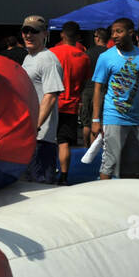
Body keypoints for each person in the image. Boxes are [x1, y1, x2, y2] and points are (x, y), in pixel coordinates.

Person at [90, 18, 139, 180]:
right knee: (109, 164)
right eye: (113, 32)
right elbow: (98, 90)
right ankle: (104, 200)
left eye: (119, 31)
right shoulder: (106, 57)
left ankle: (128, 201)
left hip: (135, 120)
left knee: (135, 168)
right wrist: (95, 119)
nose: (114, 35)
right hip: (113, 117)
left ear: (131, 33)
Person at [20, 15, 64, 183]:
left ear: (45, 34)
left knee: (41, 188)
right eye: (26, 31)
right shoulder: (28, 58)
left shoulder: (48, 59)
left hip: (41, 137)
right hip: (28, 135)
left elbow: (51, 95)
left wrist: (36, 125)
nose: (28, 35)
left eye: (34, 31)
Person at [49, 21, 92, 185]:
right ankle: (64, 176)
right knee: (64, 142)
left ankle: (49, 170)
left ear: (62, 34)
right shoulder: (83, 57)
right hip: (72, 103)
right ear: (78, 36)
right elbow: (83, 82)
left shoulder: (53, 53)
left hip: (52, 102)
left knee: (48, 140)